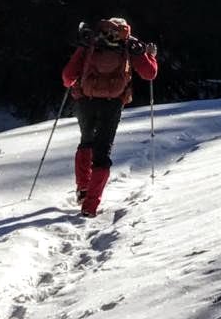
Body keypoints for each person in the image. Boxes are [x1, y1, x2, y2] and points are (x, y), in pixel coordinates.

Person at [60, 17, 158, 217]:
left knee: (86, 142)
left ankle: (83, 189)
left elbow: (68, 77)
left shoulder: (91, 41)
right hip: (112, 103)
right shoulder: (130, 44)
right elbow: (149, 74)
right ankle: (90, 205)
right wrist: (151, 56)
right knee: (102, 152)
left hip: (86, 100)